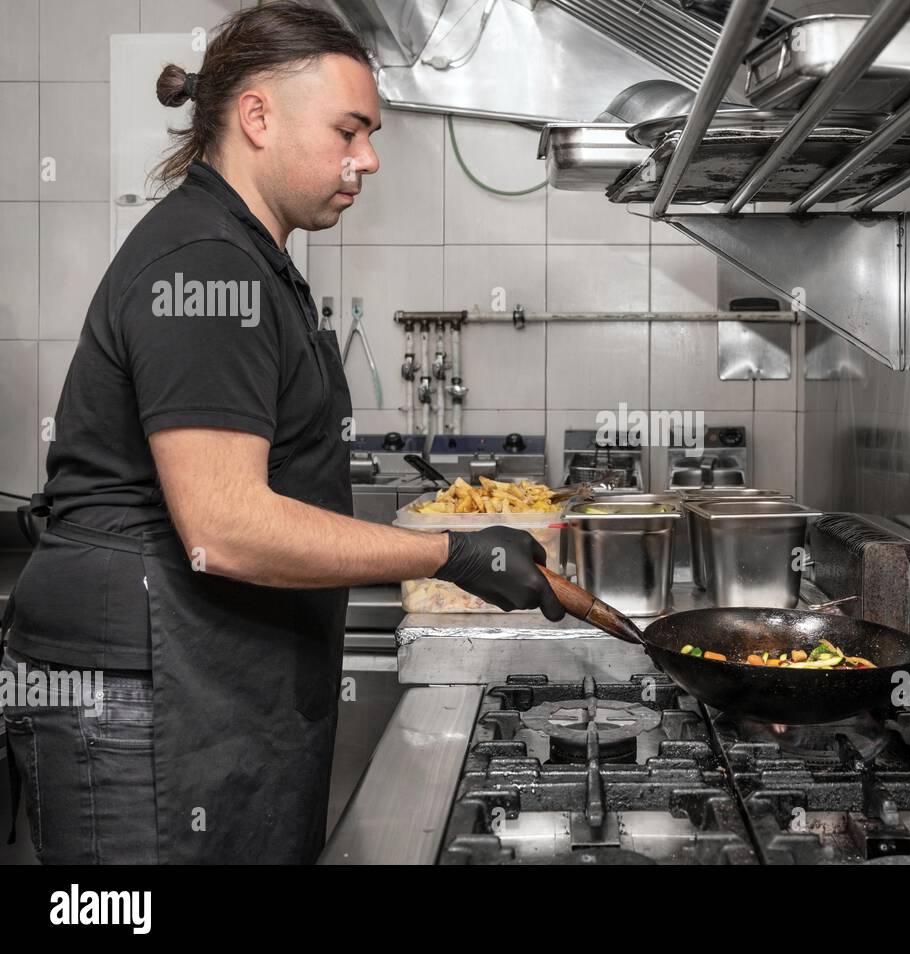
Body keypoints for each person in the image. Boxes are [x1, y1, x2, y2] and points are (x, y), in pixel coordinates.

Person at [0, 0, 562, 865]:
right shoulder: (204, 265)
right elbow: (224, 528)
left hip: (199, 680)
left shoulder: (250, 258)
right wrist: (448, 551)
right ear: (257, 115)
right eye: (349, 130)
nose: (367, 158)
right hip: (144, 695)